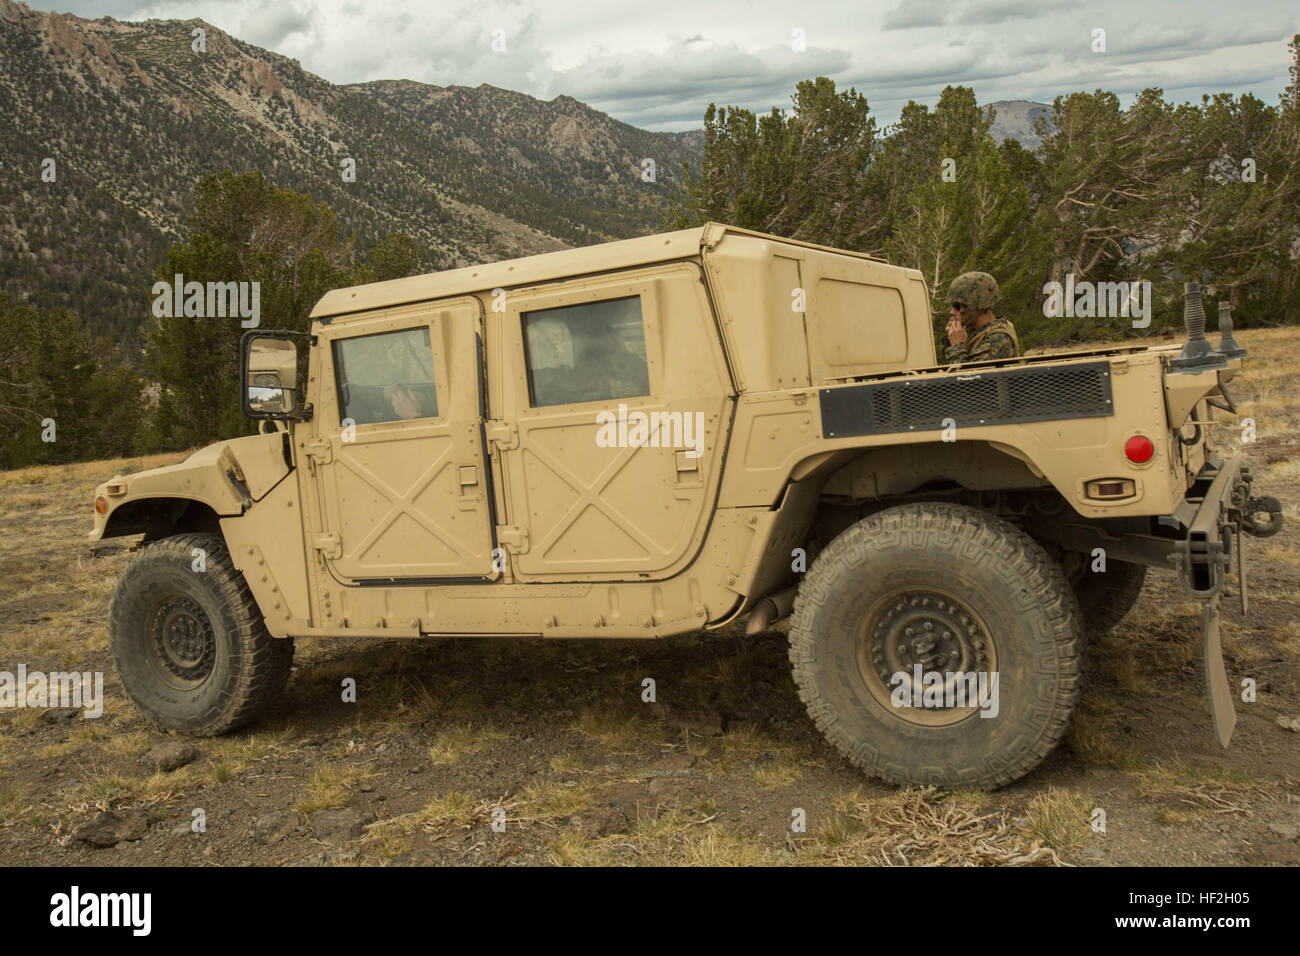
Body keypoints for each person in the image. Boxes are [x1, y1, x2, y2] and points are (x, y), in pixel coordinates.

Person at [944, 271, 1019, 364]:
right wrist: (950, 339)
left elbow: (968, 377)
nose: (952, 312)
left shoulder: (997, 339)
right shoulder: (977, 333)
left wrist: (957, 346)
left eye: (957, 306)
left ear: (976, 306)